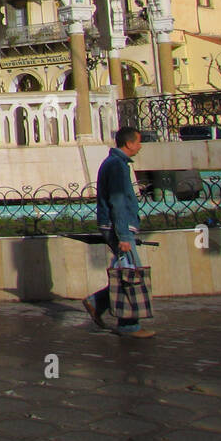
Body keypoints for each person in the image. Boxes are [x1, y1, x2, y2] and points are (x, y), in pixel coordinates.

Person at [84, 126, 155, 338]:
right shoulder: (116, 166)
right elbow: (117, 201)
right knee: (130, 275)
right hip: (117, 228)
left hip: (114, 226)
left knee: (127, 271)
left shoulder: (115, 163)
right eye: (138, 142)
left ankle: (97, 303)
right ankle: (128, 325)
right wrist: (124, 235)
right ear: (129, 143)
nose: (140, 146)